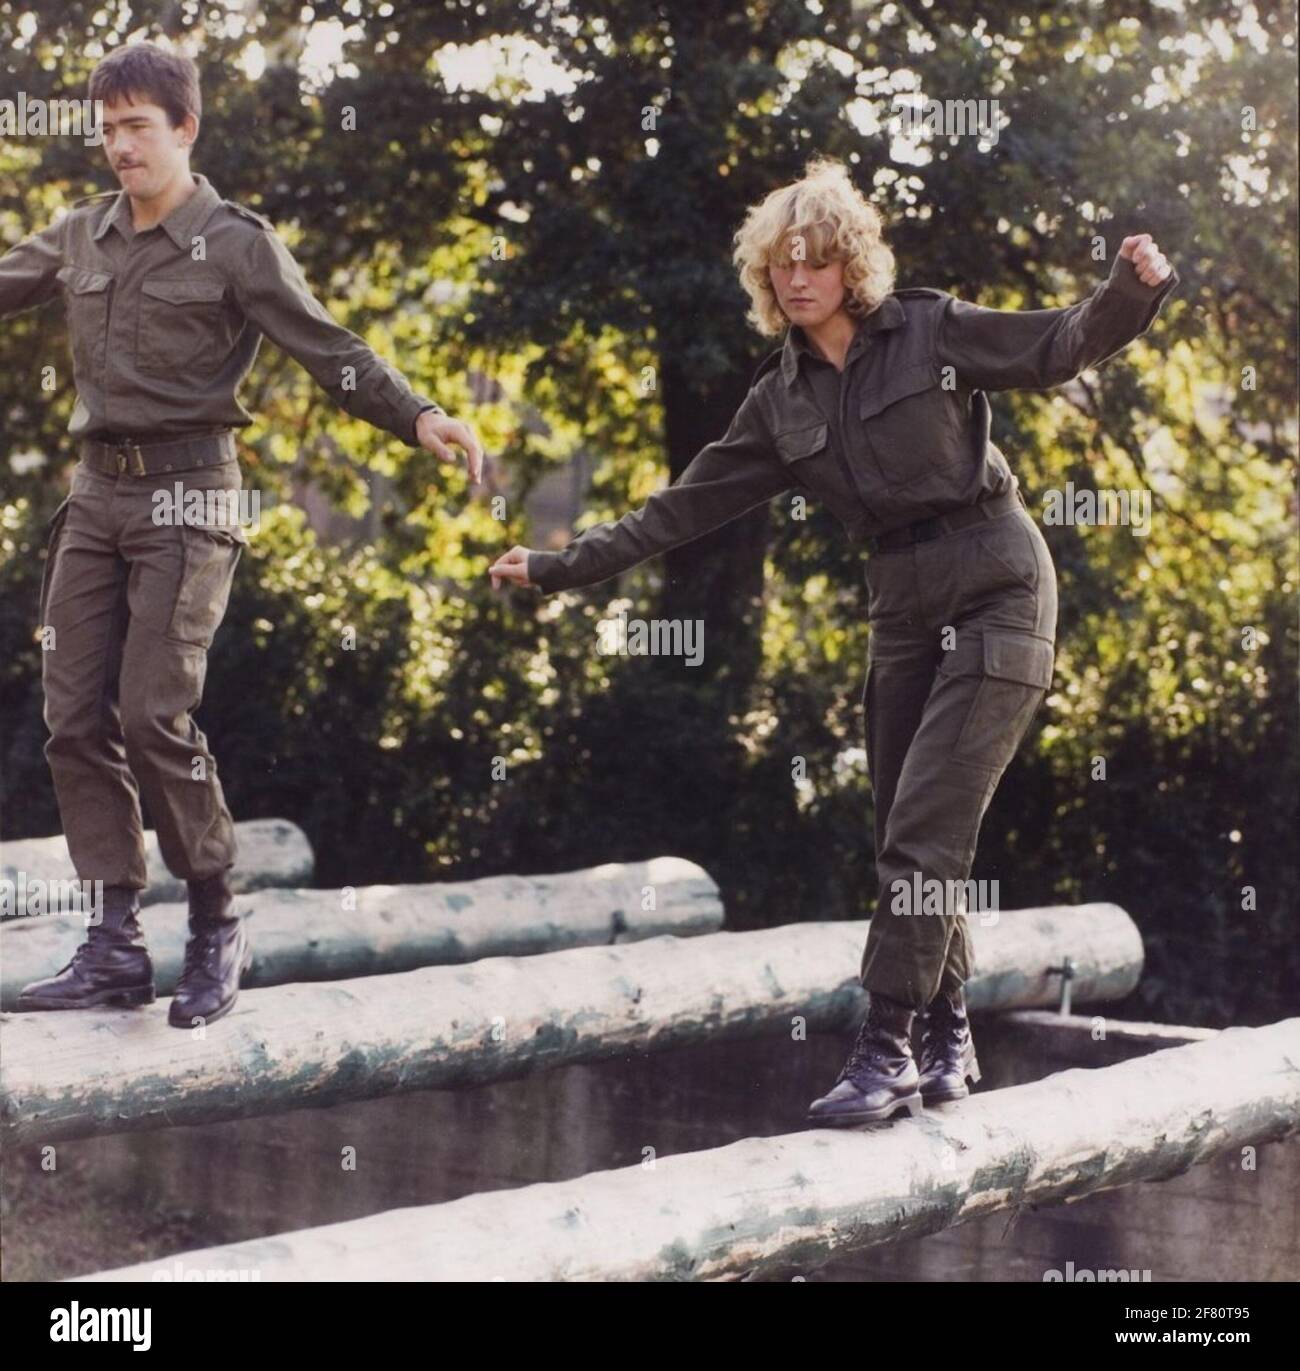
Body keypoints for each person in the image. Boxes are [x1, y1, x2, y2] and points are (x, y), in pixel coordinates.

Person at [489, 157, 1178, 1125]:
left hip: (997, 585)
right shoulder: (780, 403)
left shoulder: (930, 330)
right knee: (903, 830)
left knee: (924, 827)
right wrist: (558, 566)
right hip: (899, 607)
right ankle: (947, 1033)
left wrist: (1124, 293)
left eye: (814, 260)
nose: (797, 278)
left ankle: (885, 1044)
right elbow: (679, 510)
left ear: (848, 263)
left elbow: (1054, 347)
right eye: (781, 267)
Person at [3, 41, 482, 1027]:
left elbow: (327, 349)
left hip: (191, 498)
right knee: (68, 717)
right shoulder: (79, 237)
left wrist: (420, 413)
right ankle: (115, 940)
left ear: (185, 129)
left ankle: (217, 915)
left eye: (139, 127)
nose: (120, 148)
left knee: (151, 712)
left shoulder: (234, 243)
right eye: (107, 129)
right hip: (95, 498)